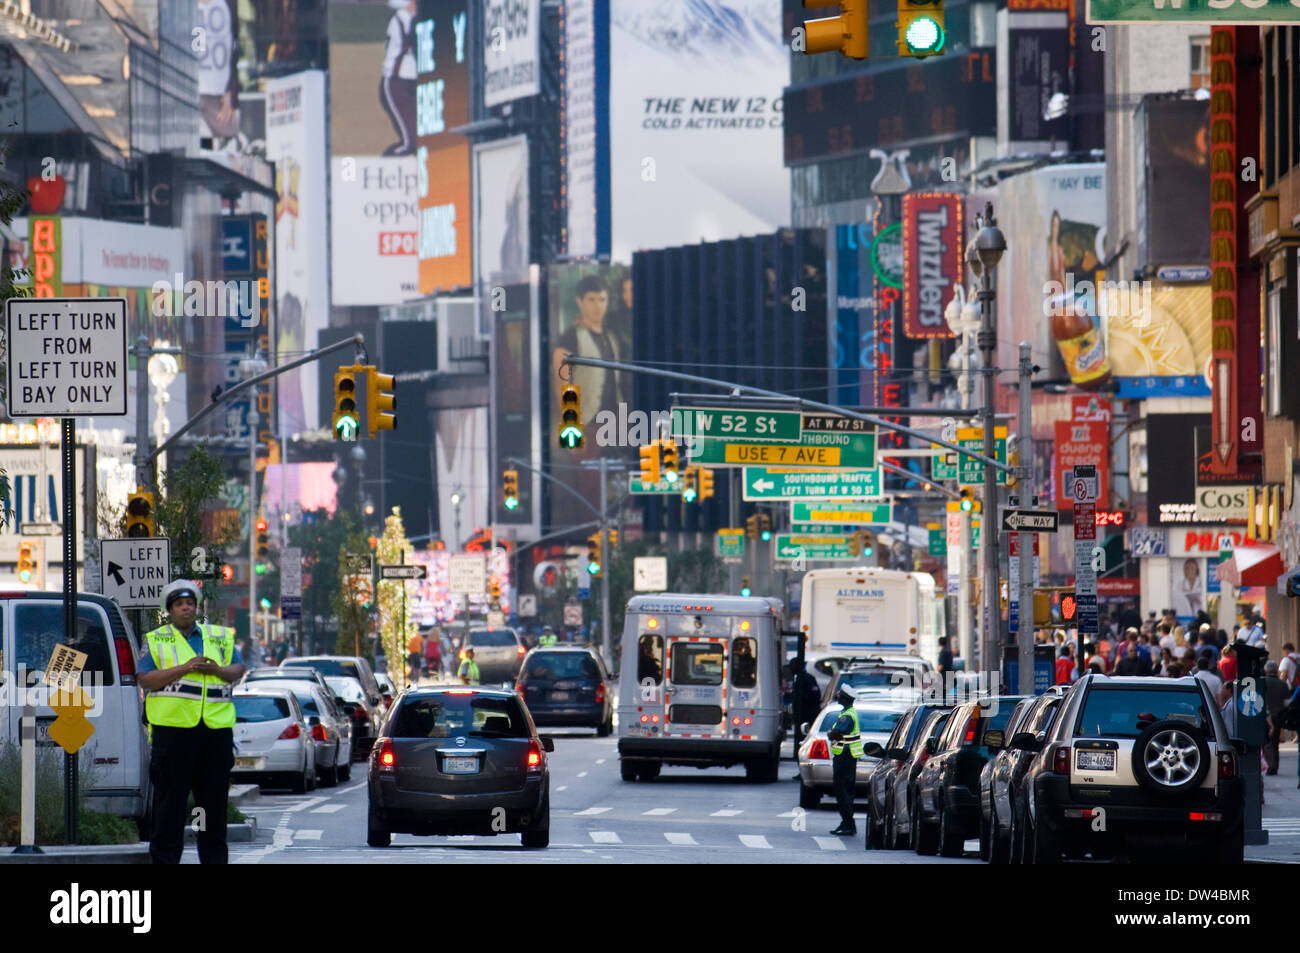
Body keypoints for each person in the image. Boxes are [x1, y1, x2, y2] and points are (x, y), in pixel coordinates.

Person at [137, 580, 245, 865]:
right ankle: (165, 860)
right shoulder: (156, 639)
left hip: (214, 735)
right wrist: (184, 668)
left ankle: (212, 859)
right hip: (172, 735)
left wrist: (217, 670)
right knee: (169, 806)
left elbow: (238, 669)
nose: (185, 607)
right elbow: (144, 678)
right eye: (178, 604)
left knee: (210, 807)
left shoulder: (219, 636)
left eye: (189, 603)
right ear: (169, 611)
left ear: (197, 608)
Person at [379, 0, 417, 156]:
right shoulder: (402, 17)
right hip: (396, 81)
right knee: (411, 143)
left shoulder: (402, 17)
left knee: (418, 139)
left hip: (408, 79)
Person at [826, 686, 862, 836]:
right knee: (845, 790)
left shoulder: (847, 716)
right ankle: (847, 823)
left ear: (845, 698)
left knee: (843, 791)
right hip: (847, 757)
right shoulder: (848, 713)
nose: (837, 695)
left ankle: (847, 823)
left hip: (844, 758)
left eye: (839, 694)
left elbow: (836, 734)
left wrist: (830, 733)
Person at [1262, 661, 1290, 775]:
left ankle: (1270, 765)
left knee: (1266, 742)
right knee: (1275, 742)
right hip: (1278, 716)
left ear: (1266, 670)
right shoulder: (1283, 684)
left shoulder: (1262, 682)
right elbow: (1287, 703)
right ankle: (1274, 765)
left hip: (1264, 716)